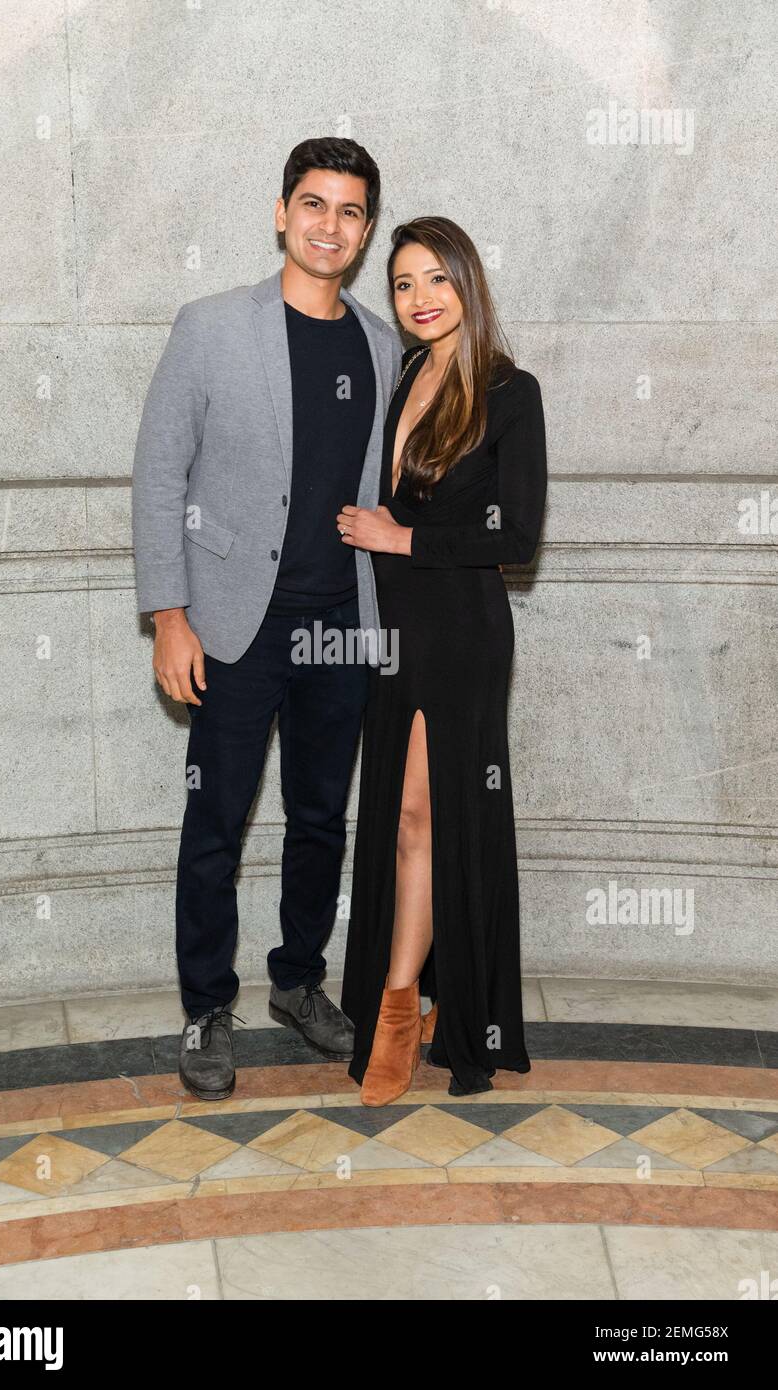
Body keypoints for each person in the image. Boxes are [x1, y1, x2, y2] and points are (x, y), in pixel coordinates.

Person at [131, 137, 401, 1100]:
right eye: (315, 205)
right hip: (233, 628)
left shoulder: (382, 346)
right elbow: (160, 473)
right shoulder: (210, 328)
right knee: (216, 823)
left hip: (342, 626)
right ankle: (208, 1006)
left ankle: (298, 979)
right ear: (282, 214)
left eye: (352, 211)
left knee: (321, 817)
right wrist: (169, 613)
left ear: (366, 231)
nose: (332, 226)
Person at [338, 216, 548, 1101]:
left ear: (467, 282)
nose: (419, 299)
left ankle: (402, 1007)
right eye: (401, 285)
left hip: (462, 631)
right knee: (398, 817)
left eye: (435, 280)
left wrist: (403, 536)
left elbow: (518, 534)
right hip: (394, 632)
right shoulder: (401, 378)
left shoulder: (510, 391)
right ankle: (418, 998)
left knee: (426, 815)